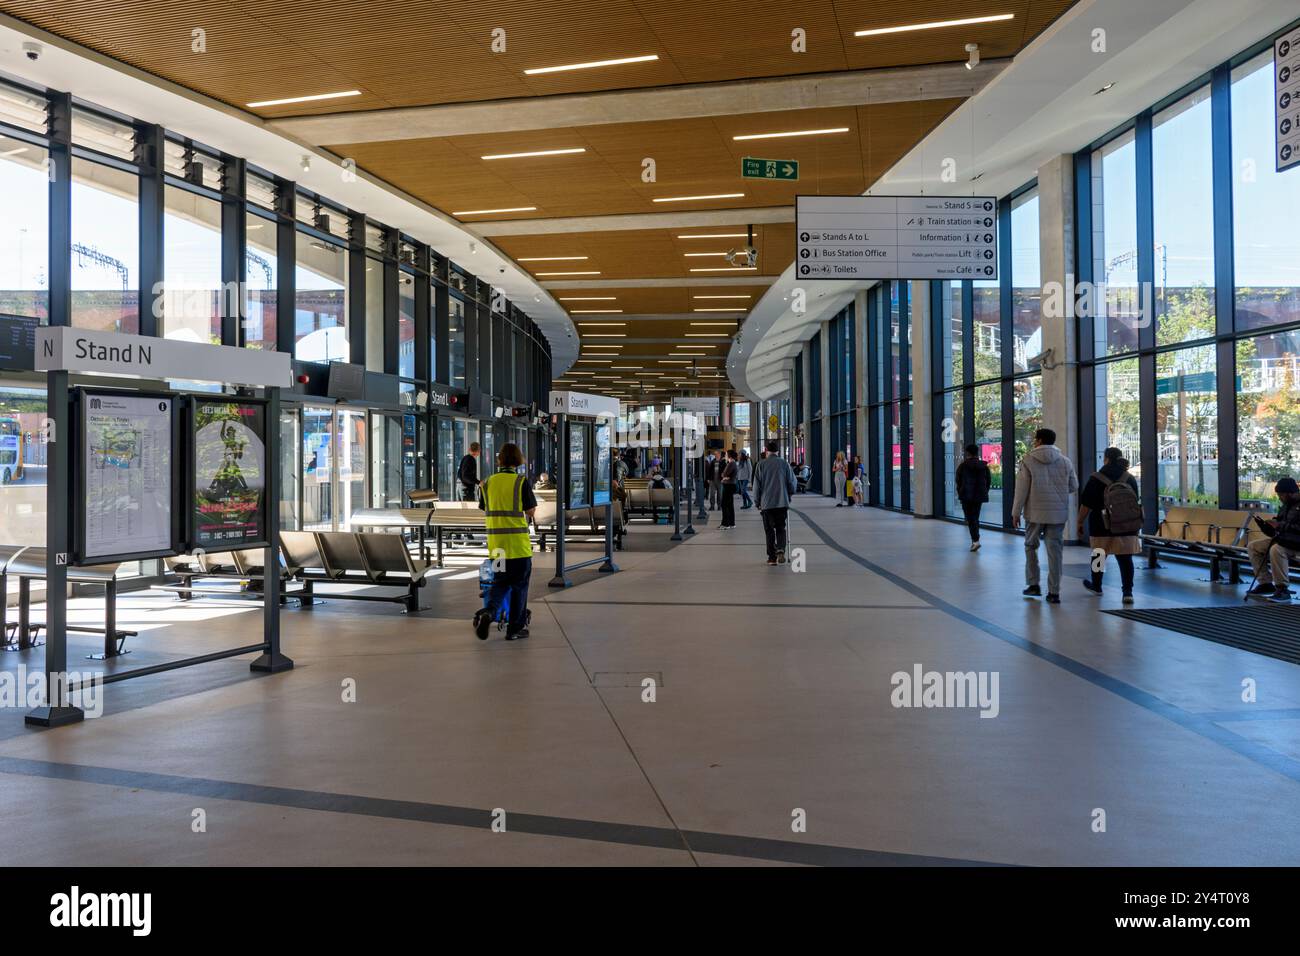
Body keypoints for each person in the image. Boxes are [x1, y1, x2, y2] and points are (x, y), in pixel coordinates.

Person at [473, 443, 536, 642]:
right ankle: (514, 629)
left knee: (500, 583)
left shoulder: (488, 483)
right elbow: (531, 511)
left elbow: (484, 508)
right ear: (518, 460)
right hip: (518, 547)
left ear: (500, 461)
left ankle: (489, 613)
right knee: (519, 587)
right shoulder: (520, 482)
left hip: (497, 547)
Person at [1010, 428, 1079, 604]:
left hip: (1034, 514)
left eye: (1035, 439)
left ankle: (1034, 584)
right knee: (1055, 552)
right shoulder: (1065, 461)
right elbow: (1074, 485)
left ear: (1039, 441)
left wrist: (1016, 512)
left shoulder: (1028, 461)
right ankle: (1054, 592)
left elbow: (1021, 490)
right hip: (1058, 514)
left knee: (1030, 546)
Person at [1076, 448, 1141, 605]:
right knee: (1126, 558)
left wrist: (1079, 521)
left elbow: (1087, 504)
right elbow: (1135, 500)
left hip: (1100, 523)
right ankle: (1127, 592)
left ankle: (1097, 586)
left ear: (1105, 459)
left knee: (1099, 555)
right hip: (1125, 523)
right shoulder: (1129, 478)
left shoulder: (1096, 478)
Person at [1246, 477, 1300, 603]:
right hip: (1286, 540)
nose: (1279, 497)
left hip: (1296, 544)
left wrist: (1280, 525)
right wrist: (1266, 526)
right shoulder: (1286, 505)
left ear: (1289, 493)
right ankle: (1265, 583)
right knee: (1254, 546)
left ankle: (1282, 588)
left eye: (1280, 494)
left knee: (1276, 550)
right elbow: (1278, 526)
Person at [753, 439, 797, 565]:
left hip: (766, 503)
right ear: (778, 451)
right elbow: (792, 482)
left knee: (769, 530)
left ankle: (772, 558)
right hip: (781, 502)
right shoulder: (784, 464)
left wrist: (757, 501)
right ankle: (781, 549)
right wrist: (789, 494)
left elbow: (757, 486)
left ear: (766, 451)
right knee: (780, 528)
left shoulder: (761, 465)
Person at [955, 444, 992, 551]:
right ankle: (975, 540)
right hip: (979, 496)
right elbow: (988, 481)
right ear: (977, 453)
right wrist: (983, 492)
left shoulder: (963, 466)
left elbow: (958, 481)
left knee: (971, 518)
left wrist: (961, 492)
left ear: (967, 453)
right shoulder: (984, 466)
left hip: (966, 496)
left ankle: (975, 541)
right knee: (975, 517)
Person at [719, 449, 739, 529]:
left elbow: (724, 474)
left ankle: (725, 524)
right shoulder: (732, 463)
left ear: (729, 456)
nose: (725, 456)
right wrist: (725, 477)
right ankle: (731, 523)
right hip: (731, 485)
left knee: (724, 504)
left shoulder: (731, 463)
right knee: (730, 505)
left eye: (726, 455)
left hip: (728, 486)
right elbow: (726, 475)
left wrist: (724, 476)